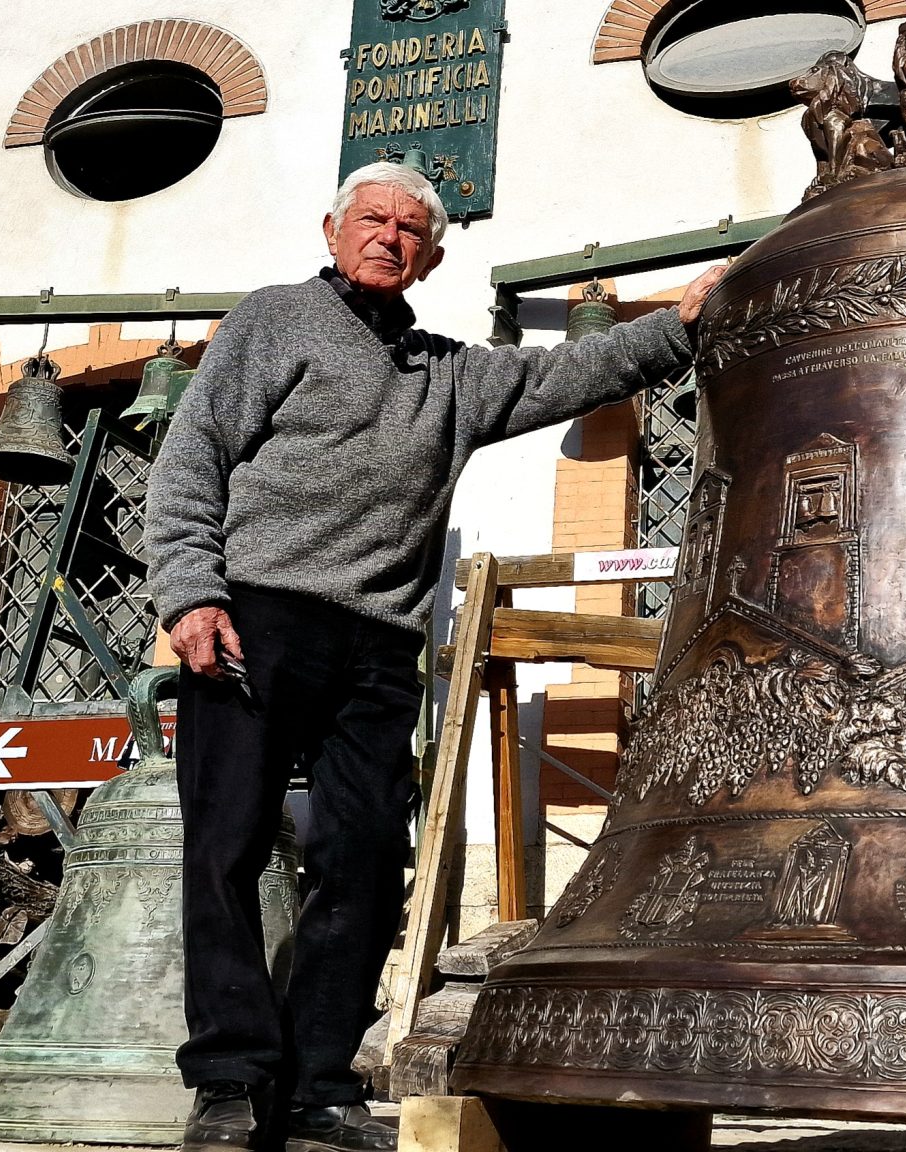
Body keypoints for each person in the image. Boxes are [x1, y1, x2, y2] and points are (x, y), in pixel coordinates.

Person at [144, 161, 725, 1152]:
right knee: (227, 848)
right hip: (255, 617)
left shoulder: (444, 375)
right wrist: (190, 591)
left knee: (366, 863)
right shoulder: (275, 319)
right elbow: (192, 454)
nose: (389, 237)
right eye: (372, 219)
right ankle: (231, 1083)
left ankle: (319, 1090)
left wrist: (678, 324)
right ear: (333, 230)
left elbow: (559, 376)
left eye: (410, 229)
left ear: (432, 258)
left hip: (377, 643)